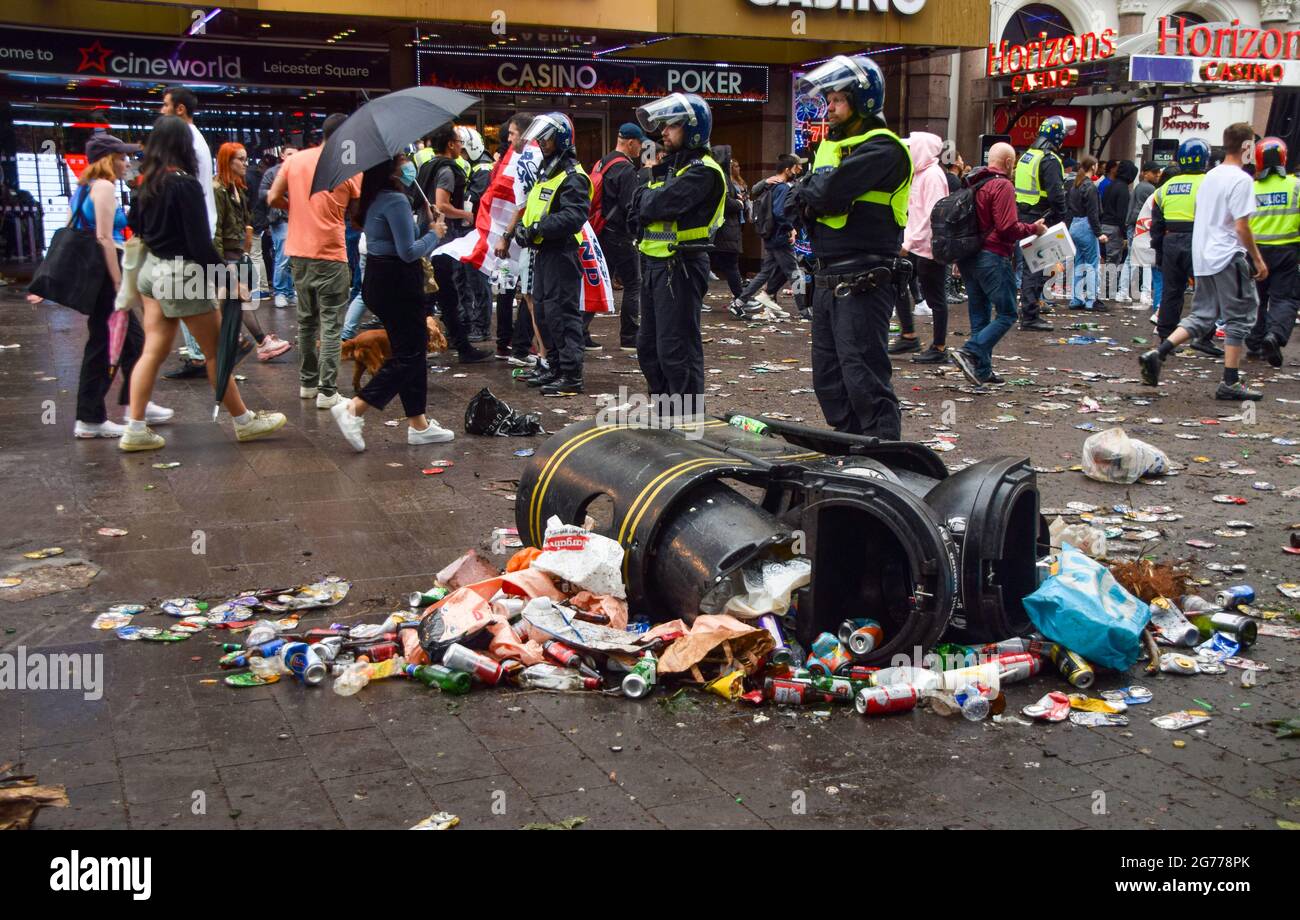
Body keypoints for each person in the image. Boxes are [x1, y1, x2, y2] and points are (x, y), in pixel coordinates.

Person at [120, 115, 286, 451]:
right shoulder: (184, 184)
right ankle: (243, 421)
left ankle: (135, 428)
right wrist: (229, 279)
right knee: (216, 351)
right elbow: (199, 244)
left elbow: (136, 225)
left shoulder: (144, 183)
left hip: (152, 271)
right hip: (182, 275)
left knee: (153, 350)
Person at [787, 55, 912, 439]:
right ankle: (850, 447)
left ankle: (886, 461)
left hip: (864, 279)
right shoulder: (830, 148)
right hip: (827, 278)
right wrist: (811, 193)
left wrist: (811, 192)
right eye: (829, 101)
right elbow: (796, 203)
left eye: (838, 101)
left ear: (863, 101)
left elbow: (825, 191)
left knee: (864, 378)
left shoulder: (885, 149)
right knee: (829, 378)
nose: (831, 109)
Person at [331, 155, 451, 451]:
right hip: (398, 282)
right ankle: (355, 408)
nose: (405, 162)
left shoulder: (375, 197)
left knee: (411, 349)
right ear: (391, 166)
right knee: (409, 354)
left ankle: (419, 425)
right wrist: (434, 234)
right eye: (400, 158)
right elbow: (408, 251)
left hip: (378, 278)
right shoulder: (395, 199)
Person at [1139, 123, 1267, 401]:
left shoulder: (1211, 177)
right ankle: (1230, 381)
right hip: (1227, 255)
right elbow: (1242, 226)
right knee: (1240, 316)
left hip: (1204, 255)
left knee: (1204, 314)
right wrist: (1257, 259)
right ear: (1246, 147)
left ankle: (1158, 353)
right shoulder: (1241, 179)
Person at [57, 134, 169, 438]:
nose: (126, 164)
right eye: (121, 158)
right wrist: (119, 281)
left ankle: (138, 402)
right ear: (109, 159)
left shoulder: (83, 188)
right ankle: (90, 418)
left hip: (96, 275)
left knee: (131, 341)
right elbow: (105, 238)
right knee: (105, 345)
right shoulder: (104, 186)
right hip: (106, 276)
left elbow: (74, 227)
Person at [632, 92, 727, 420]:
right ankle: (666, 415)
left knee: (677, 351)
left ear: (693, 128)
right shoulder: (672, 169)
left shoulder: (703, 171)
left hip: (681, 265)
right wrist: (647, 194)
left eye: (673, 126)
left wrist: (646, 192)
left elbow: (653, 205)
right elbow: (639, 207)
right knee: (649, 349)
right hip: (656, 264)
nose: (664, 133)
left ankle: (687, 423)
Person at [268, 113, 362, 409]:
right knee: (332, 324)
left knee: (306, 322)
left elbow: (272, 198)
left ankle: (307, 384)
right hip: (331, 253)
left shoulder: (295, 161)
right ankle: (328, 390)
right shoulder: (349, 166)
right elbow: (357, 217)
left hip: (298, 252)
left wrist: (296, 207)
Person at [948, 143, 1048, 387]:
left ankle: (981, 371)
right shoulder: (1002, 185)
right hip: (992, 256)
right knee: (1007, 312)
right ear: (1008, 163)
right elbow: (1007, 228)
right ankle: (971, 351)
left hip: (969, 256)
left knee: (980, 314)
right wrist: (1035, 228)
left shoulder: (973, 182)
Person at [514, 113, 592, 396]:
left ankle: (572, 375)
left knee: (562, 314)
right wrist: (524, 229)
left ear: (560, 138)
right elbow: (535, 209)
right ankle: (557, 367)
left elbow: (573, 216)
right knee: (545, 313)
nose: (541, 142)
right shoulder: (548, 172)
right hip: (544, 251)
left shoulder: (573, 177)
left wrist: (536, 228)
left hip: (562, 252)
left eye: (546, 136)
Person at [417, 124, 490, 362]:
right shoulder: (448, 170)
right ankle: (454, 346)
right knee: (440, 293)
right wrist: (467, 215)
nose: (461, 146)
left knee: (441, 294)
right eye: (459, 142)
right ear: (450, 144)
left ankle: (459, 344)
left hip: (428, 236)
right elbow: (442, 205)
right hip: (442, 239)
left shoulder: (427, 166)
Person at [213, 142, 292, 361]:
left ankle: (255, 341)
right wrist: (220, 266)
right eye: (240, 159)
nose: (245, 163)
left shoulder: (235, 187)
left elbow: (241, 221)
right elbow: (216, 230)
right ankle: (252, 341)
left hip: (235, 252)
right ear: (228, 161)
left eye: (245, 158)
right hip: (226, 255)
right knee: (235, 299)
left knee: (238, 299)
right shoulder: (218, 189)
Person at [159, 85, 216, 379]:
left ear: (180, 109)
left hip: (192, 229)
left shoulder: (187, 141)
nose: (161, 111)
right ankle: (200, 352)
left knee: (187, 295)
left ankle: (199, 354)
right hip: (198, 225)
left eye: (165, 105)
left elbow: (188, 190)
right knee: (187, 294)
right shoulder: (197, 139)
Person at [1148, 138, 1221, 356]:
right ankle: (1204, 336)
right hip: (1198, 239)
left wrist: (1159, 252)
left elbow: (1157, 225)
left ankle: (1166, 337)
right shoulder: (1210, 183)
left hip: (1171, 242)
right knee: (1208, 291)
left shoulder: (1165, 188)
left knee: (1172, 292)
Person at [891, 132, 950, 362]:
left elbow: (931, 216)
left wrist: (908, 242)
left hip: (928, 248)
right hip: (917, 245)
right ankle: (909, 335)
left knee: (936, 298)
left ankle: (939, 347)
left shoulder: (932, 176)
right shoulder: (920, 174)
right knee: (898, 284)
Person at [589, 123, 645, 350]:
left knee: (599, 281)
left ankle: (581, 331)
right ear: (631, 142)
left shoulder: (602, 162)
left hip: (600, 231)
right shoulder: (627, 169)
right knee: (634, 283)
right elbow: (630, 206)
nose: (641, 149)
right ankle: (630, 338)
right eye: (640, 144)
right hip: (619, 235)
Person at [1014, 114, 1072, 331]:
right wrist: (1061, 217)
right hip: (1042, 217)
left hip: (1023, 215)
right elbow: (1057, 195)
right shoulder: (1049, 160)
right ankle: (1030, 315)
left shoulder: (1027, 156)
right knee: (1036, 268)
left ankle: (1028, 310)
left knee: (1027, 266)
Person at [1244, 136, 1298, 368]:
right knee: (1284, 298)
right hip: (1288, 251)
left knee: (1257, 299)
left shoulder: (1250, 188)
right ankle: (1274, 336)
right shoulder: (1296, 186)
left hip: (1255, 253)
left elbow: (1240, 223)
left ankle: (1255, 342)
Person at [733, 154, 803, 318]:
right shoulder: (785, 187)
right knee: (796, 273)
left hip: (770, 233)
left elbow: (755, 192)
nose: (798, 170)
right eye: (796, 167)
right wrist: (790, 228)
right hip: (780, 236)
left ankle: (738, 303)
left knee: (766, 272)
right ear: (788, 169)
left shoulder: (770, 184)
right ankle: (805, 309)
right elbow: (780, 212)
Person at [1066, 154, 1107, 312]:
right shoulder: (1090, 187)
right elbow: (1093, 213)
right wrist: (1099, 233)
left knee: (1079, 263)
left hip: (1074, 225)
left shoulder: (1075, 185)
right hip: (1086, 226)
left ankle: (1077, 299)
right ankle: (1091, 299)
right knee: (1091, 264)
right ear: (1093, 167)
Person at [1118, 162, 1161, 305]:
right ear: (1146, 173)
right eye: (1154, 173)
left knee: (1130, 260)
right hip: (1142, 228)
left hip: (1132, 226)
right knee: (1147, 260)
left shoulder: (1138, 186)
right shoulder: (1149, 189)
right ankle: (1145, 293)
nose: (1157, 175)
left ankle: (1122, 291)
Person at [710, 146, 747, 308]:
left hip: (726, 229)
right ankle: (741, 298)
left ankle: (741, 297)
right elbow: (723, 202)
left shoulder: (721, 176)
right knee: (731, 265)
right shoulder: (722, 177)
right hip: (726, 228)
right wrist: (739, 203)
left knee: (725, 264)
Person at [260, 148, 297, 309]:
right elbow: (262, 193)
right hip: (280, 219)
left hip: (296, 218)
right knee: (283, 256)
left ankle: (288, 292)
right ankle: (281, 292)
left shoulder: (299, 171)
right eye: (289, 154)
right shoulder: (273, 172)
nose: (292, 157)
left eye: (295, 154)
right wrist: (279, 193)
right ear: (282, 156)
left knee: (291, 258)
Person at [1099, 160, 1135, 295]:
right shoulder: (1124, 190)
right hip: (1115, 228)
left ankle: (1102, 287)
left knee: (1104, 257)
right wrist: (1125, 233)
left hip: (1104, 225)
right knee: (1113, 259)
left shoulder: (1109, 185)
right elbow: (1122, 214)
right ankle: (1108, 289)